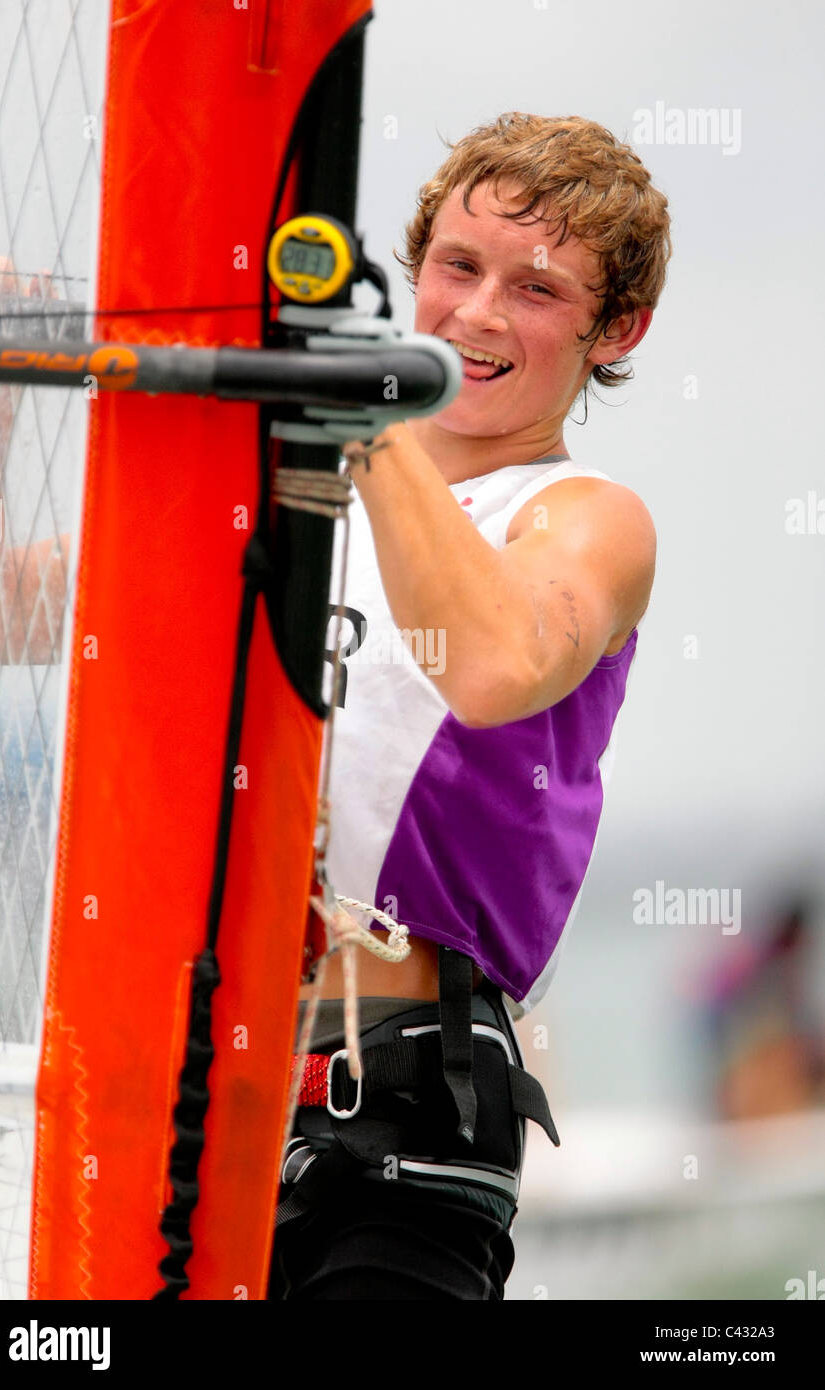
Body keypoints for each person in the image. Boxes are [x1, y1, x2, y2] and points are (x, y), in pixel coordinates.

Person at [269, 111, 671, 1300]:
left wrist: (365, 406)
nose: (480, 314)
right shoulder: (295, 478)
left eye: (537, 289)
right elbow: (13, 605)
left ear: (616, 331)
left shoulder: (588, 515)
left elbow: (495, 666)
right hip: (197, 1090)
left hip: (402, 1120)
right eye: (456, 267)